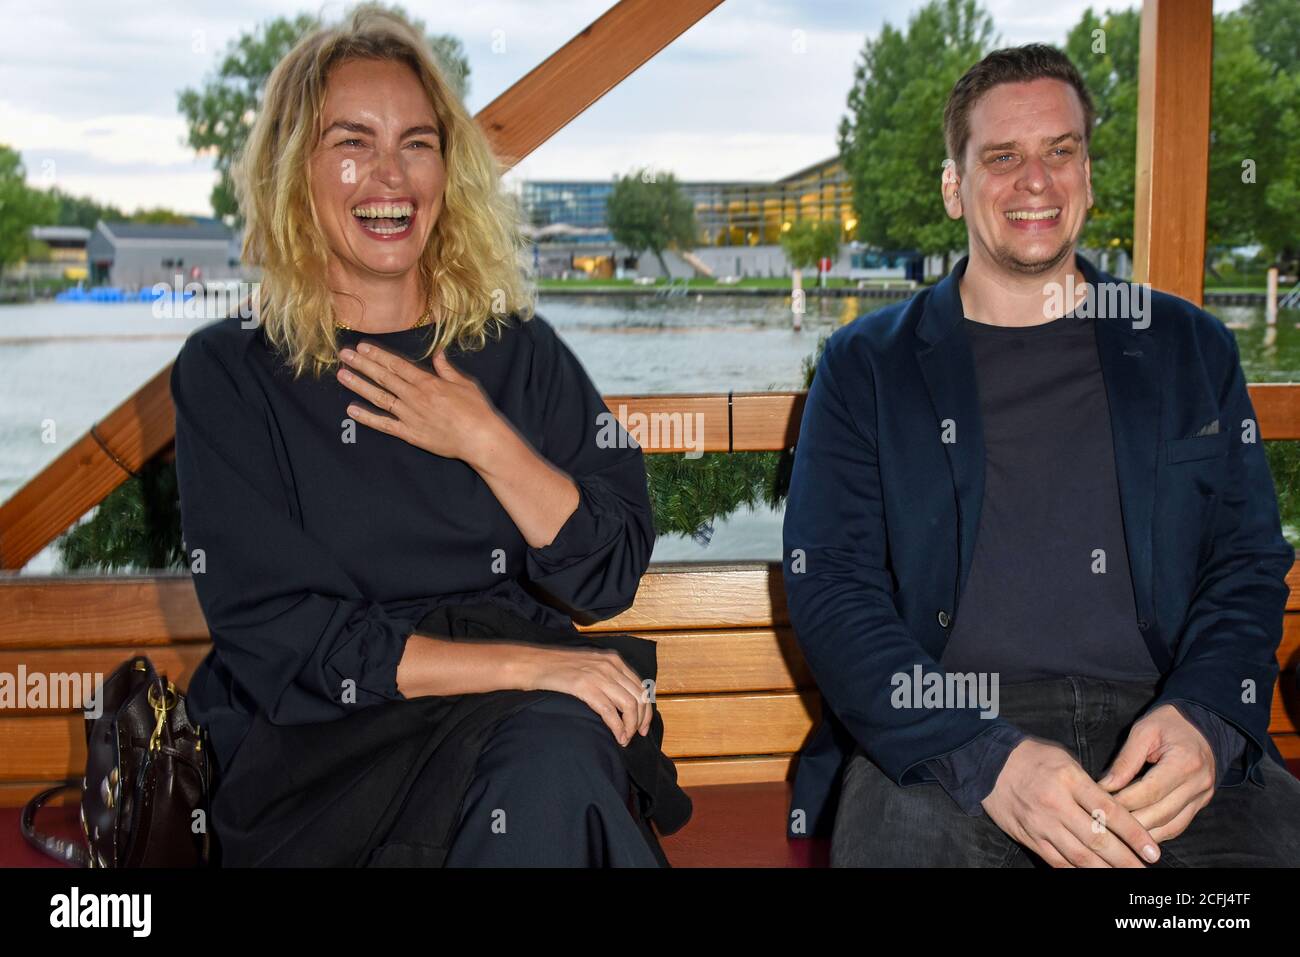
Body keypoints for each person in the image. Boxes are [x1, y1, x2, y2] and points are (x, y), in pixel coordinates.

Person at [171, 5, 681, 867]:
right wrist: (528, 667)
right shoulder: (230, 373)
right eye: (352, 142)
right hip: (324, 747)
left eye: (416, 142)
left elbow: (611, 569)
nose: (390, 175)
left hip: (527, 726)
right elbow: (284, 638)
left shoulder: (518, 351)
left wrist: (486, 439)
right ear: (297, 171)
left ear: (449, 170)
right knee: (551, 763)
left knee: (553, 763)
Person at [782, 43, 1300, 867]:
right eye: (1003, 158)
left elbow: (1246, 561)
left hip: (1162, 729)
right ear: (955, 187)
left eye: (1061, 151)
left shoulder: (1187, 346)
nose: (1037, 180)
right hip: (946, 741)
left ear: (1088, 176)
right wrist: (990, 756)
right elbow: (833, 590)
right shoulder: (865, 366)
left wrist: (1205, 715)